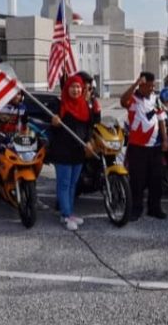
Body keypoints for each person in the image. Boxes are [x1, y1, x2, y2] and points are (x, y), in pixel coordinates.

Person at [48, 75, 98, 230]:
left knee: (72, 185)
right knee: (64, 184)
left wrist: (88, 141)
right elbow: (51, 126)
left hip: (78, 151)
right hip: (62, 151)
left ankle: (68, 213)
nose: (75, 90)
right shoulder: (59, 105)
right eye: (72, 87)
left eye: (78, 87)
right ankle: (66, 215)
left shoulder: (85, 106)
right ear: (66, 88)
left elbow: (89, 127)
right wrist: (54, 122)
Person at [121, 72, 168, 221]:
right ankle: (136, 208)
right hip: (137, 146)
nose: (152, 88)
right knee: (137, 180)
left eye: (153, 85)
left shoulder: (156, 99)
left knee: (157, 178)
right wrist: (135, 83)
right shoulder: (133, 99)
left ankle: (154, 208)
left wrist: (165, 139)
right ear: (141, 85)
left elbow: (161, 120)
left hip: (155, 146)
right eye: (149, 86)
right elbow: (122, 101)